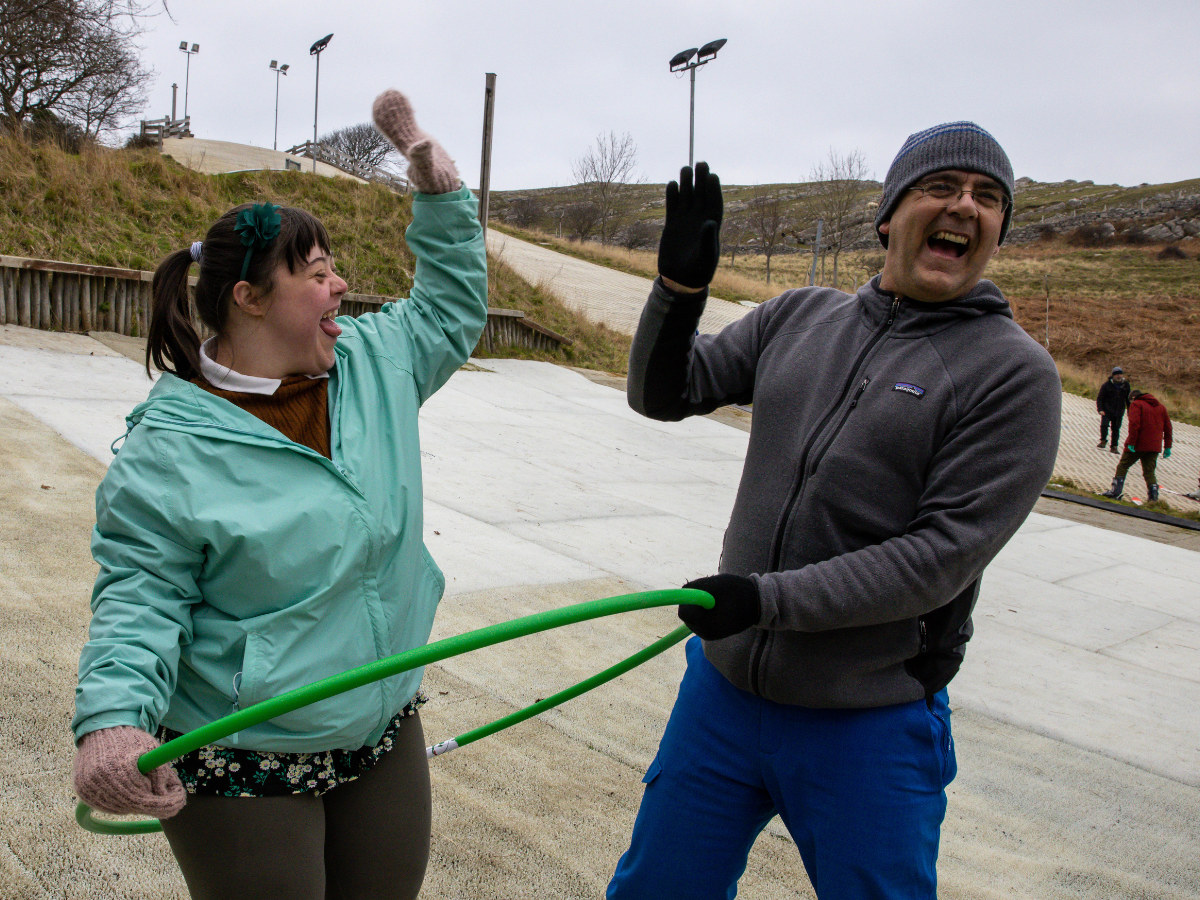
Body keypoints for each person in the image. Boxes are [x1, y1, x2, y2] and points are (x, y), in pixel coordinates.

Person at [609, 122, 1062, 900]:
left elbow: (937, 560)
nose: (964, 206)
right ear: (889, 215)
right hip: (722, 697)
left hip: (869, 719)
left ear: (997, 231)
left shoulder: (1014, 375)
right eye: (941, 187)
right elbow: (662, 393)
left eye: (988, 198)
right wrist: (678, 292)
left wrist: (765, 600)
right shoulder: (798, 318)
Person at [70, 90, 486, 900]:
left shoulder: (374, 361)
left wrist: (442, 200)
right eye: (317, 273)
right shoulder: (171, 449)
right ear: (249, 298)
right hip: (243, 747)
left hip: (379, 719)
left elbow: (449, 308)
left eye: (334, 268)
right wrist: (113, 721)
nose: (340, 285)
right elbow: (140, 595)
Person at [1102, 389, 1173, 502]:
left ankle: (1115, 491)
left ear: (1133, 398)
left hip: (1138, 444)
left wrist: (1131, 442)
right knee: (1149, 472)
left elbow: (1134, 424)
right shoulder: (1161, 407)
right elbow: (1168, 427)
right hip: (1154, 446)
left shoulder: (1136, 404)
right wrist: (1168, 446)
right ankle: (1153, 499)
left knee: (1123, 466)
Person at [1096, 366, 1131, 453]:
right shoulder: (1106, 385)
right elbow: (1100, 398)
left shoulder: (1126, 385)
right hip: (1107, 410)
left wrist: (1130, 411)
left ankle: (1114, 446)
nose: (1119, 376)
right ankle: (1103, 440)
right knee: (1104, 425)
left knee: (1116, 429)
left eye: (1120, 374)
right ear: (1113, 376)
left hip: (1119, 411)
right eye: (1117, 374)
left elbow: (1128, 399)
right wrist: (1100, 409)